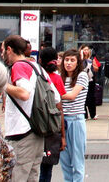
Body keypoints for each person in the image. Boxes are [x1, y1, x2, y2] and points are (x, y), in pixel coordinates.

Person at [2, 35, 53, 182]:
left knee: (17, 177)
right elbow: (56, 97)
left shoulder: (18, 66)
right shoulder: (38, 68)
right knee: (33, 177)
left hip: (21, 134)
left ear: (9, 50)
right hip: (38, 132)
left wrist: (1, 84)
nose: (1, 53)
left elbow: (24, 93)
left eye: (3, 49)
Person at [59, 49, 90, 182]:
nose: (69, 63)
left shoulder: (82, 76)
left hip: (76, 119)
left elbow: (72, 96)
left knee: (77, 160)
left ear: (78, 63)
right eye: (66, 60)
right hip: (62, 120)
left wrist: (55, 95)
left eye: (72, 60)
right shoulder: (59, 76)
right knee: (64, 159)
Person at [37, 47, 67, 182]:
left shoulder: (36, 77)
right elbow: (60, 109)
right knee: (46, 168)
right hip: (51, 127)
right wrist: (63, 136)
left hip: (35, 126)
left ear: (40, 60)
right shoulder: (56, 79)